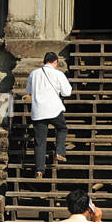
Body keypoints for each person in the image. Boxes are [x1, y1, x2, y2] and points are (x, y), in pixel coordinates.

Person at [24, 50, 72, 178]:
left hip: (38, 111)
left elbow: (28, 91)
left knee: (40, 142)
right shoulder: (59, 74)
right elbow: (67, 92)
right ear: (55, 62)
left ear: (44, 62)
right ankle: (60, 152)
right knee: (62, 128)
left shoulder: (33, 74)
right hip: (54, 110)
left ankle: (39, 170)